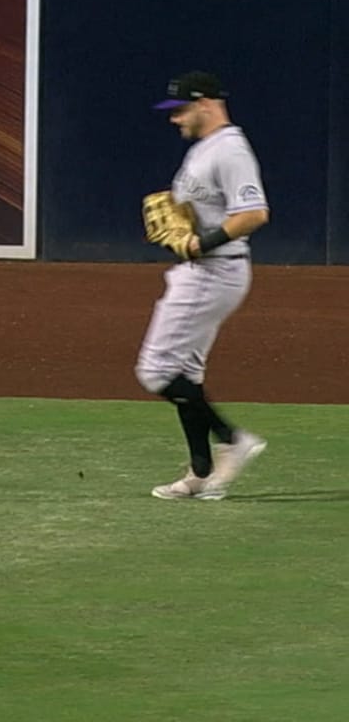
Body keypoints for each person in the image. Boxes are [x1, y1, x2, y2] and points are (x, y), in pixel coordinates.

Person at [138, 70, 270, 500]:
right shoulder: (205, 149)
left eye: (180, 109)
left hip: (215, 271)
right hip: (204, 270)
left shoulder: (231, 151)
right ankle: (200, 472)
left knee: (156, 370)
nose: (174, 118)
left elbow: (253, 214)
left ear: (206, 104)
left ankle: (231, 439)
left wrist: (201, 241)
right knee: (185, 372)